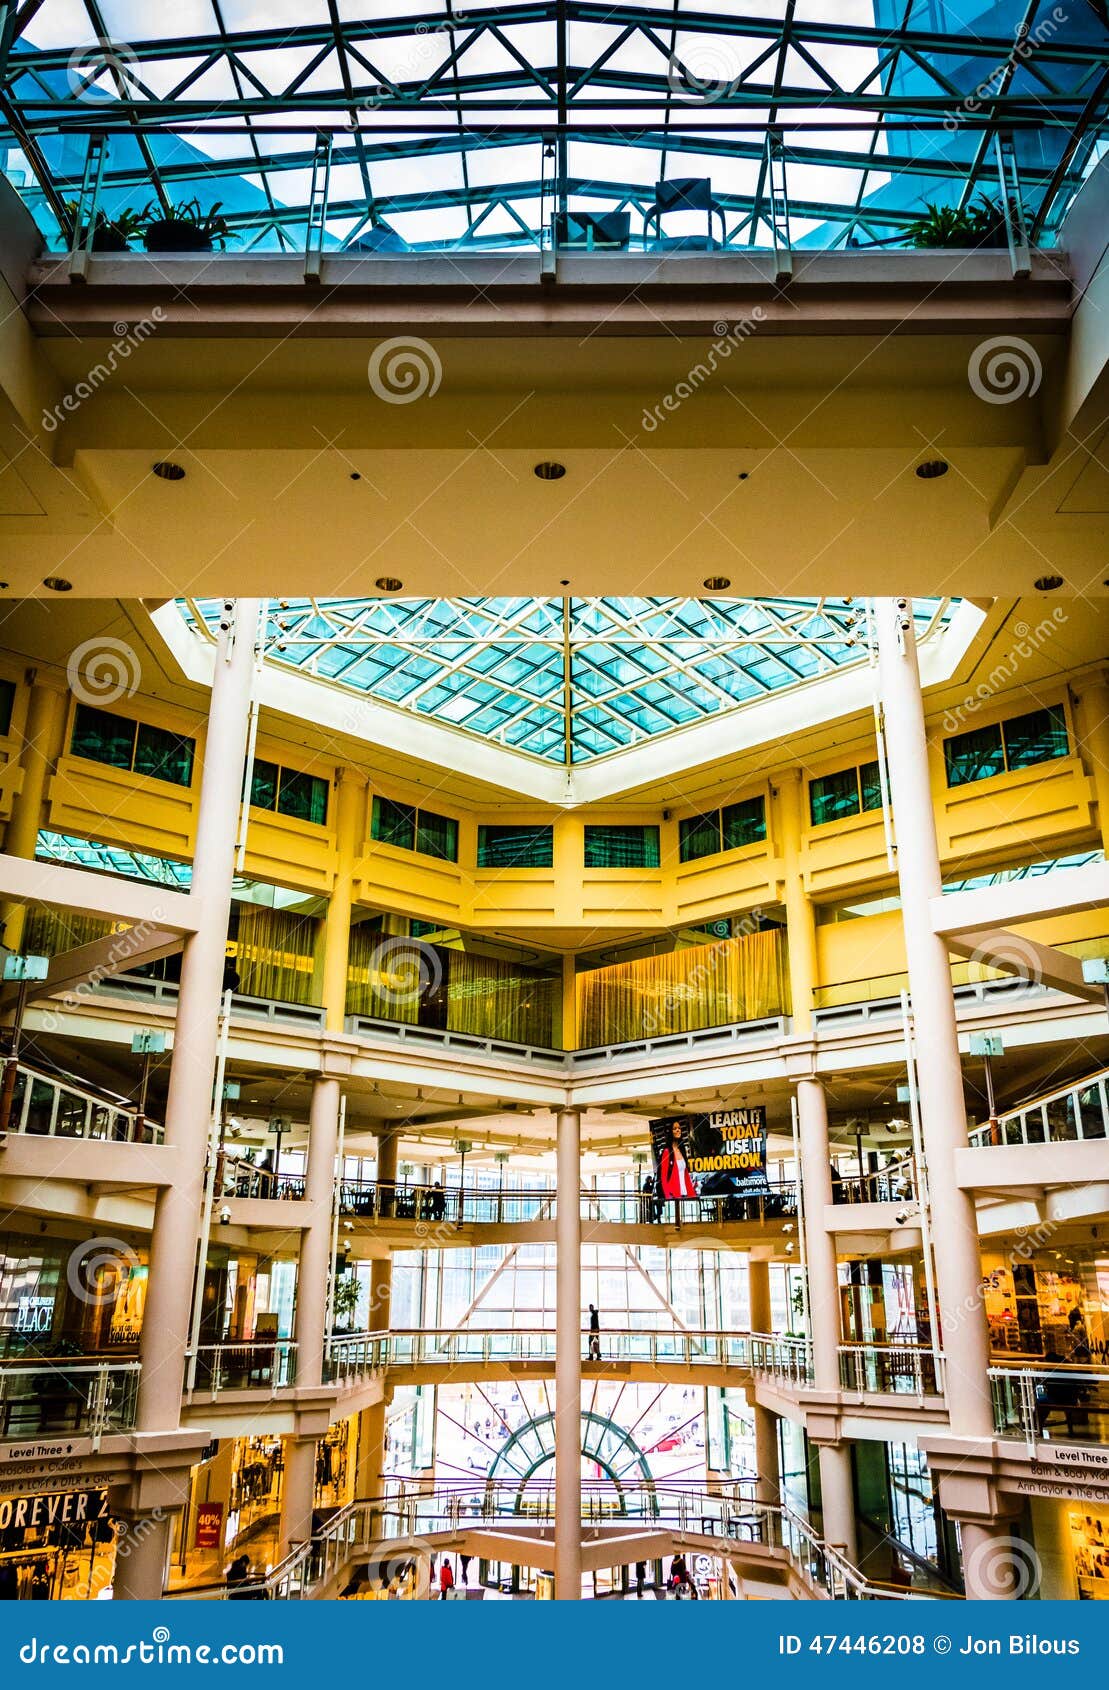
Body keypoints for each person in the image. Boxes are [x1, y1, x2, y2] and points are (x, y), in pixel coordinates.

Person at [657, 1121, 696, 1203]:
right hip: (673, 1196)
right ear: (670, 1132)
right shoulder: (667, 1151)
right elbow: (663, 1177)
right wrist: (668, 1197)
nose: (678, 1130)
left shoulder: (682, 1150)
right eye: (675, 1128)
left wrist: (692, 1192)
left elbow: (685, 1175)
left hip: (684, 1194)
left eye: (679, 1128)